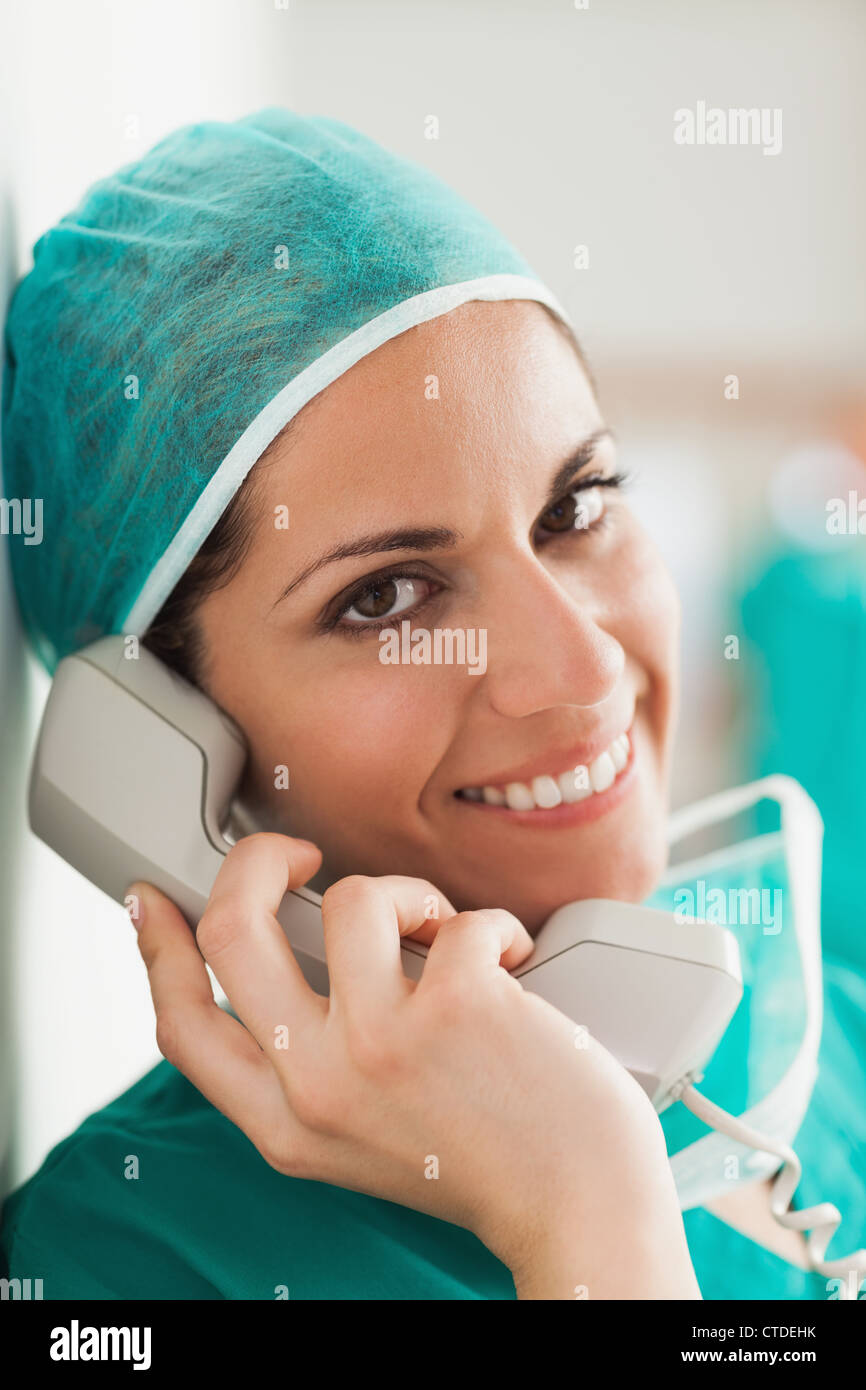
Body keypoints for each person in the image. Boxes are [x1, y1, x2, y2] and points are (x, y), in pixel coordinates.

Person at [1, 109, 863, 1300]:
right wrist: (581, 1213)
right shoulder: (119, 1265)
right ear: (158, 737)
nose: (577, 668)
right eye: (387, 596)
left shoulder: (827, 1059)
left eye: (576, 506)